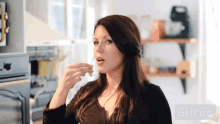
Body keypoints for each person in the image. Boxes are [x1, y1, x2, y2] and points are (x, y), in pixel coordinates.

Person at [43, 15, 172, 124]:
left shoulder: (151, 96)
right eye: (95, 42)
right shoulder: (87, 93)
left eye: (108, 41)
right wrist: (63, 88)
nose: (99, 48)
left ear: (126, 47)